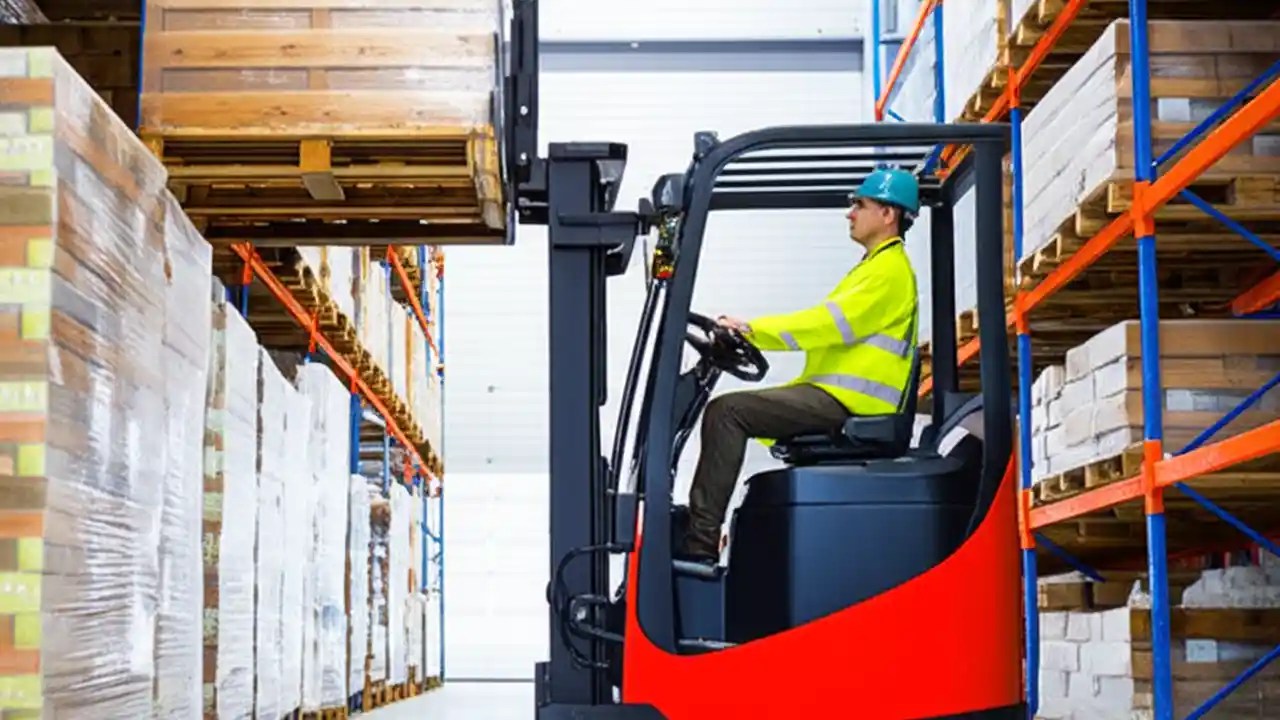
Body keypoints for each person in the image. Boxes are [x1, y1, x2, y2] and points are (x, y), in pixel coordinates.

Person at [678, 167, 922, 563]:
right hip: (839, 398)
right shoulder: (874, 268)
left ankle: (698, 550)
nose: (850, 213)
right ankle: (703, 540)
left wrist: (753, 330)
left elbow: (824, 324)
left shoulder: (889, 272)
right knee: (732, 412)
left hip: (851, 404)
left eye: (859, 204)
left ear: (888, 214)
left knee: (727, 413)